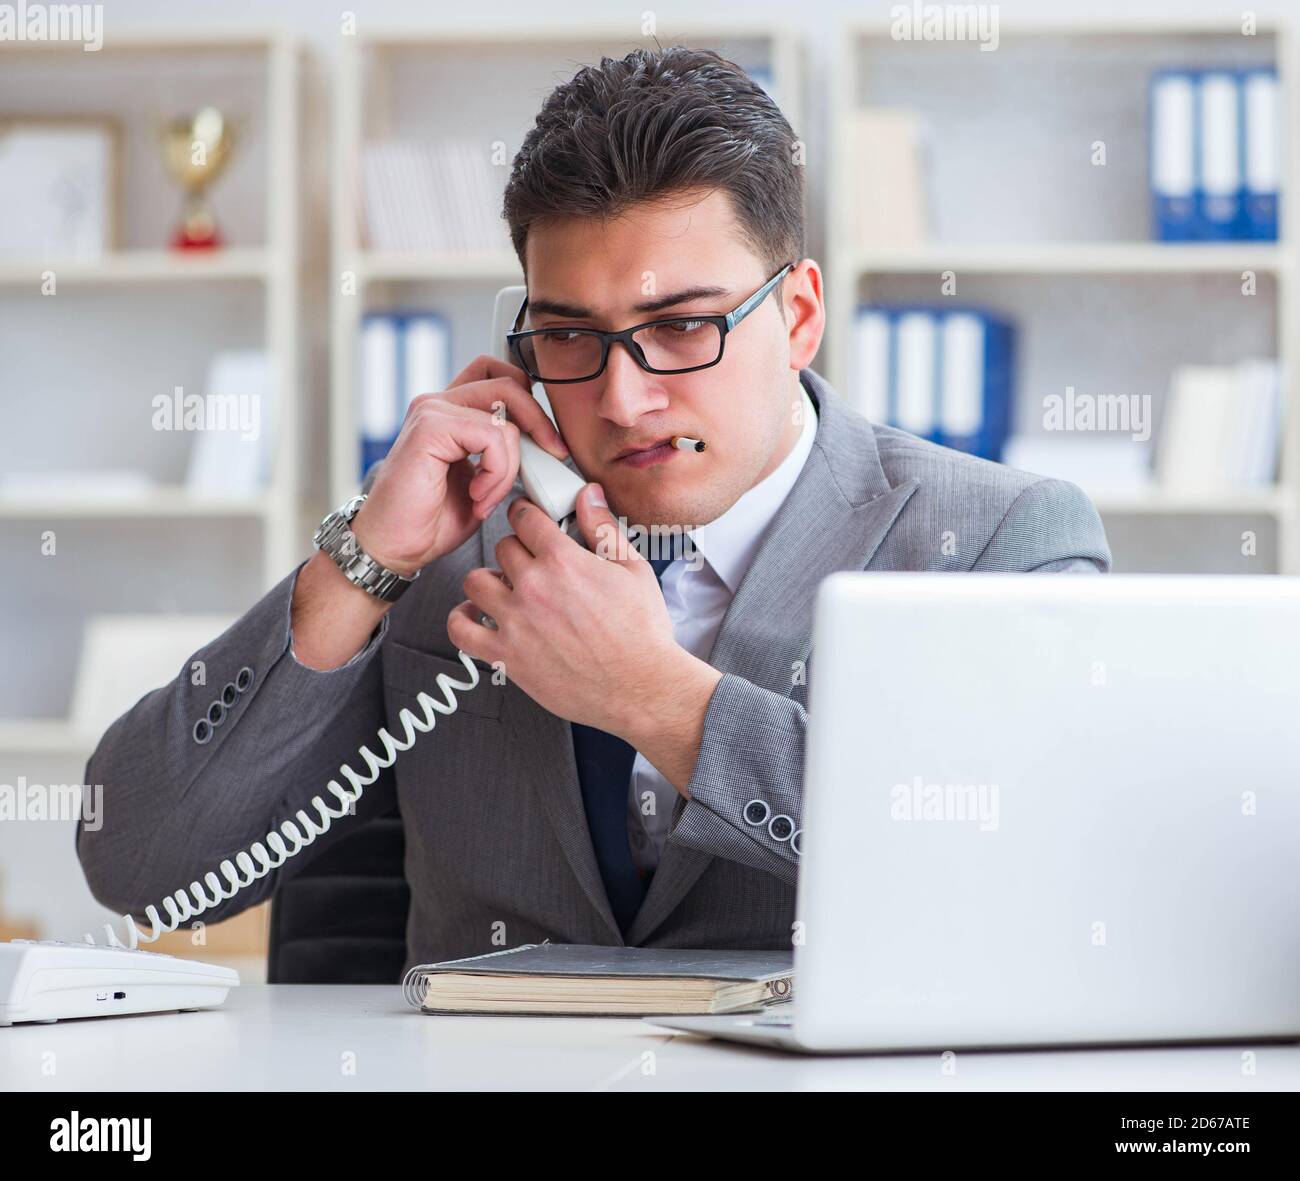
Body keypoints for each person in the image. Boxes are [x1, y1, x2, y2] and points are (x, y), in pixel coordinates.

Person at [77, 46, 1110, 974]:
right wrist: (363, 563)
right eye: (570, 336)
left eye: (682, 327)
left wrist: (658, 700)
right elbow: (142, 865)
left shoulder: (993, 541)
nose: (623, 397)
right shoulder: (444, 544)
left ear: (796, 317)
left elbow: (1029, 869)